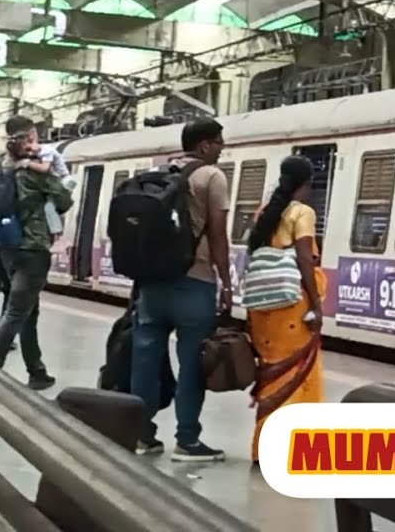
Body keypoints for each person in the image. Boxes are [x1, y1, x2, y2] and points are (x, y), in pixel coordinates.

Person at [130, 118, 233, 461]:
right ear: (204, 146)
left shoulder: (158, 173)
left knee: (144, 359)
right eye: (219, 142)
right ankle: (187, 440)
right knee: (192, 362)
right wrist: (226, 282)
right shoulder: (211, 176)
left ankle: (142, 435)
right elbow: (218, 234)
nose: (221, 148)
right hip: (194, 281)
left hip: (152, 284)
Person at [245, 155, 325, 467]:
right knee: (298, 375)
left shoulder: (265, 212)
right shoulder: (302, 213)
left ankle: (262, 447)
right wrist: (317, 307)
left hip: (263, 309)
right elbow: (305, 260)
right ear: (305, 184)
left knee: (271, 374)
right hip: (293, 306)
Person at [0, 116, 71, 390]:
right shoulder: (34, 171)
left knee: (28, 310)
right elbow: (64, 199)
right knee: (17, 311)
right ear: (29, 136)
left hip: (6, 246)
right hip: (32, 247)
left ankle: (36, 370)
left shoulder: (2, 167)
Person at [13, 135, 75, 237]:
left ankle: (58, 235)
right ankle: (58, 235)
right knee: (50, 207)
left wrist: (27, 163)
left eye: (30, 150)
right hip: (36, 240)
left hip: (66, 180)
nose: (30, 153)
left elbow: (44, 168)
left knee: (49, 208)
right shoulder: (34, 174)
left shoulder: (46, 151)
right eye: (27, 153)